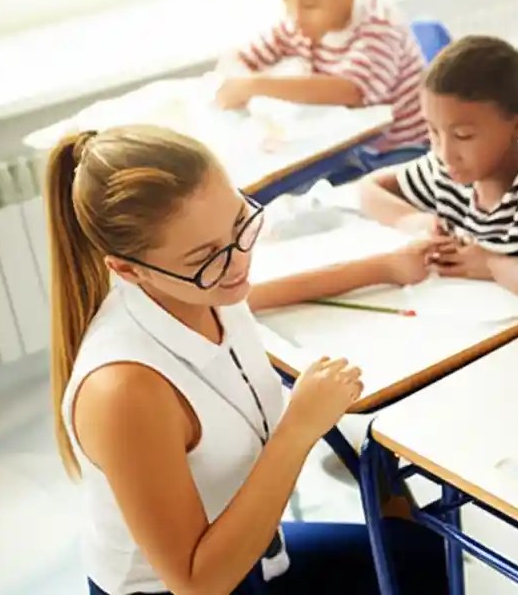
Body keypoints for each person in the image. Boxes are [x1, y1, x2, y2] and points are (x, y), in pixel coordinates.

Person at [47, 125, 445, 594]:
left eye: (240, 223)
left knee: (416, 557)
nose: (240, 262)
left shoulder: (202, 284)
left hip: (261, 555)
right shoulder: (124, 391)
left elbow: (260, 291)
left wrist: (384, 267)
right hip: (200, 582)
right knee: (404, 561)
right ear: (128, 270)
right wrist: (299, 428)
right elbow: (197, 583)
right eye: (208, 254)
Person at [359, 36, 518, 306]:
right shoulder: (447, 169)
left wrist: (489, 264)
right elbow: (369, 189)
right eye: (433, 132)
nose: (444, 152)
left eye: (463, 135)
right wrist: (417, 222)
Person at [218, 0, 429, 157]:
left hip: (400, 151)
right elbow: (237, 57)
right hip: (348, 146)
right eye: (287, 2)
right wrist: (235, 80)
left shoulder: (379, 24)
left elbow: (351, 90)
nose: (295, 16)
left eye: (309, 4)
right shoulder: (299, 23)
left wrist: (254, 85)